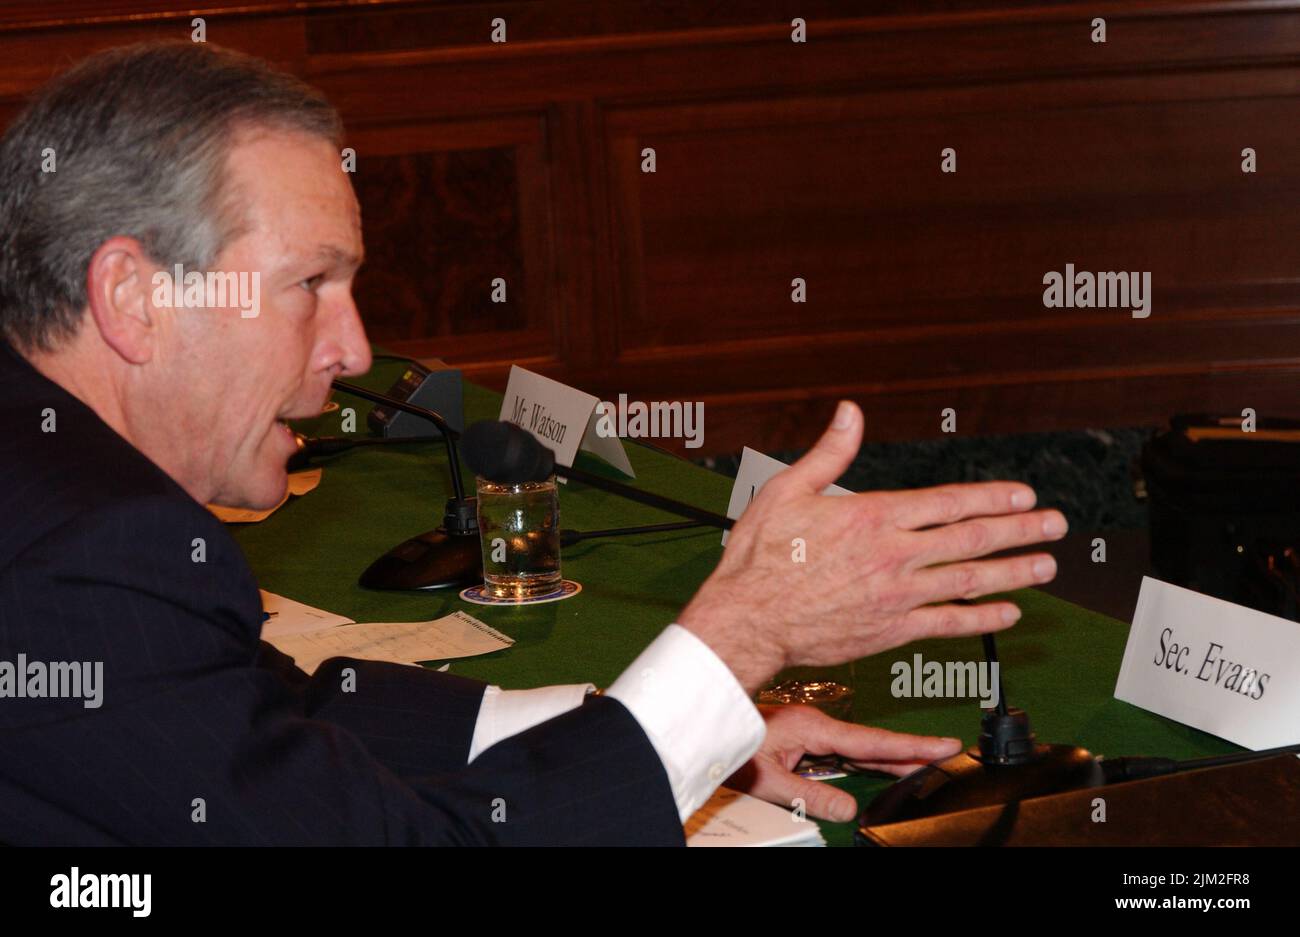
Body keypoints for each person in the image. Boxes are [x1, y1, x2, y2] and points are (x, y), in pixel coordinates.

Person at [0, 41, 1067, 845]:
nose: (354, 346)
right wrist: (736, 638)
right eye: (310, 285)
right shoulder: (87, 555)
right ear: (134, 298)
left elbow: (268, 720)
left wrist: (641, 729)